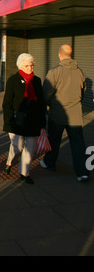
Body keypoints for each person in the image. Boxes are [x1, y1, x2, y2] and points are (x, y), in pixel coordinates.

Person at [41, 44, 89, 182]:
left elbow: (46, 93)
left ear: (60, 54)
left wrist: (50, 105)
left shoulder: (55, 72)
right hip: (75, 115)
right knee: (78, 144)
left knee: (54, 140)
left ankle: (50, 163)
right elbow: (82, 92)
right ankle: (82, 172)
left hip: (58, 114)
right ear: (71, 55)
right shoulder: (80, 72)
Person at [3, 53, 46, 184]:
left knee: (30, 148)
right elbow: (7, 103)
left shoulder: (37, 81)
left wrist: (42, 123)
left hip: (33, 120)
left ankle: (24, 173)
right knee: (18, 146)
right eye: (27, 66)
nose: (30, 68)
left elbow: (41, 103)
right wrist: (8, 121)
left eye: (31, 65)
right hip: (17, 119)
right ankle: (10, 160)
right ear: (21, 66)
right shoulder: (13, 80)